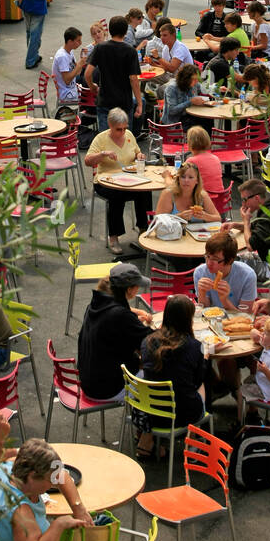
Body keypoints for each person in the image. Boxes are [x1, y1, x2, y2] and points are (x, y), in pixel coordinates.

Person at [136, 295, 208, 457]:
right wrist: (204, 360)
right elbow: (196, 381)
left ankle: (147, 440)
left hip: (150, 410)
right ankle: (194, 442)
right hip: (180, 414)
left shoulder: (147, 341)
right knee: (201, 386)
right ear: (188, 319)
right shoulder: (194, 346)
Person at [77, 262, 153, 401]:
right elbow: (150, 342)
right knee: (160, 373)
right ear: (129, 289)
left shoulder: (95, 305)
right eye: (137, 286)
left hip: (88, 382)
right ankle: (150, 419)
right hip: (107, 388)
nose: (139, 289)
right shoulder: (120, 315)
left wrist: (135, 316)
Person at [84, 108, 151, 253]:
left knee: (145, 190)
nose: (122, 132)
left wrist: (139, 156)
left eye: (124, 128)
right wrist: (103, 154)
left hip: (128, 178)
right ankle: (113, 237)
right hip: (105, 180)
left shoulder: (129, 135)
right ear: (110, 125)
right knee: (117, 194)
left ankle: (143, 229)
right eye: (118, 129)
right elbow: (87, 161)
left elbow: (137, 151)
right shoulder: (101, 138)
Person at [84, 16, 143, 132]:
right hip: (124, 102)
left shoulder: (100, 48)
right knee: (124, 140)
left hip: (105, 101)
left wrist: (92, 86)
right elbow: (133, 80)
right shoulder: (131, 51)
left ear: (109, 31)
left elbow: (87, 74)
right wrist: (139, 103)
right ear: (126, 31)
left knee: (105, 141)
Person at [192, 229, 256, 312]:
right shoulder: (200, 272)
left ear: (229, 261)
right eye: (207, 256)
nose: (209, 263)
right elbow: (204, 310)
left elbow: (245, 316)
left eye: (215, 259)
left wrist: (224, 300)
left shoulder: (247, 275)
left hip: (235, 322)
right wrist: (202, 293)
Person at [155, 160, 219, 221]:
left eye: (190, 177)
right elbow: (158, 221)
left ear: (197, 181)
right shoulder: (168, 194)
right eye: (183, 177)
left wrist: (205, 216)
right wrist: (178, 217)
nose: (186, 180)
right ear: (178, 179)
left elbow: (218, 218)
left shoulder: (202, 195)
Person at [162, 63, 214, 128]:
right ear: (186, 78)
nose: (196, 81)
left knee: (208, 119)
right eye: (194, 79)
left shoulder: (194, 84)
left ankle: (205, 138)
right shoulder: (172, 88)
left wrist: (217, 88)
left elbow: (203, 88)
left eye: (197, 79)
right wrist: (190, 102)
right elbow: (172, 111)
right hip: (175, 121)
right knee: (201, 125)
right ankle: (200, 137)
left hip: (189, 116)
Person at [186, 125, 225, 198]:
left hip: (203, 202)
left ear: (189, 143)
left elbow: (182, 182)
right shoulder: (215, 158)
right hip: (220, 200)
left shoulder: (191, 161)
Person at [51, 26, 85, 107]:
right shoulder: (62, 56)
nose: (80, 43)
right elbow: (67, 80)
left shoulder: (70, 52)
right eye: (78, 40)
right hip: (66, 93)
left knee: (88, 77)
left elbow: (78, 71)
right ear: (70, 41)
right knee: (91, 97)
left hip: (71, 87)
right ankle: (85, 117)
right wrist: (79, 65)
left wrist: (82, 60)